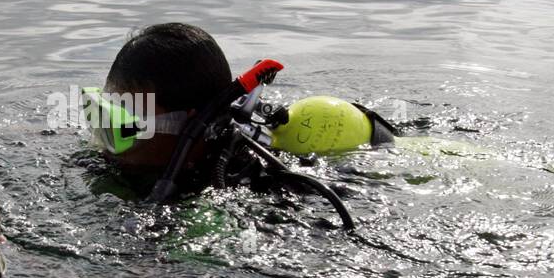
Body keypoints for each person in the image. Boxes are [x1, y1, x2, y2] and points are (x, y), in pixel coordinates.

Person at [83, 22, 398, 224]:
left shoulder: (239, 199)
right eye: (99, 114)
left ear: (191, 128)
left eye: (120, 125)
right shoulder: (124, 162)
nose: (103, 140)